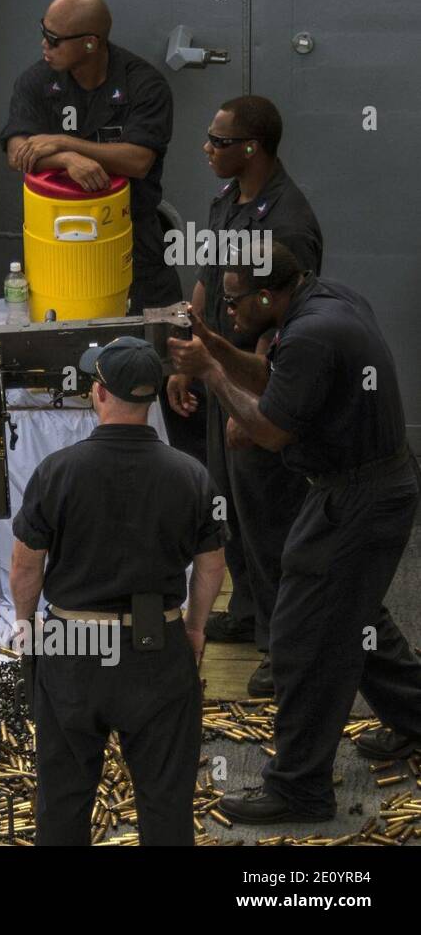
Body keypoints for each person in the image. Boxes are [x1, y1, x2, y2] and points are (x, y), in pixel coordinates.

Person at [169, 245, 421, 823]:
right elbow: (277, 380)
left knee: (305, 635)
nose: (228, 310)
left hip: (360, 496)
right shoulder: (317, 305)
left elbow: (270, 428)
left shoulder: (312, 332)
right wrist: (215, 347)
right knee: (351, 612)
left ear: (266, 295)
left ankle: (301, 788)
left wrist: (210, 372)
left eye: (234, 302)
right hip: (357, 487)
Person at [10, 336, 226, 845]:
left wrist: (27, 625)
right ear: (150, 399)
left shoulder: (57, 471)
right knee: (166, 802)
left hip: (73, 645)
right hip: (157, 646)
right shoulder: (191, 475)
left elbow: (24, 566)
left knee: (63, 800)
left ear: (100, 394)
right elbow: (212, 566)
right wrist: (193, 628)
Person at [166, 96, 323, 696]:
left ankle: (283, 648)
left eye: (217, 139)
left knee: (271, 521)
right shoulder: (228, 201)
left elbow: (286, 323)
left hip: (258, 382)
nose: (206, 148)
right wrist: (187, 350)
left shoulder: (289, 224)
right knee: (228, 505)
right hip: (220, 367)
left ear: (251, 148)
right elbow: (208, 276)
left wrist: (254, 409)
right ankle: (253, 609)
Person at [0, 0, 179, 314]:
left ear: (90, 43)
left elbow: (138, 161)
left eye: (54, 39)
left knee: (154, 339)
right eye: (43, 32)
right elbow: (17, 152)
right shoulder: (37, 82)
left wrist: (67, 142)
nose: (44, 44)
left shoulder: (144, 85)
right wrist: (68, 160)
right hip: (59, 242)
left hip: (132, 238)